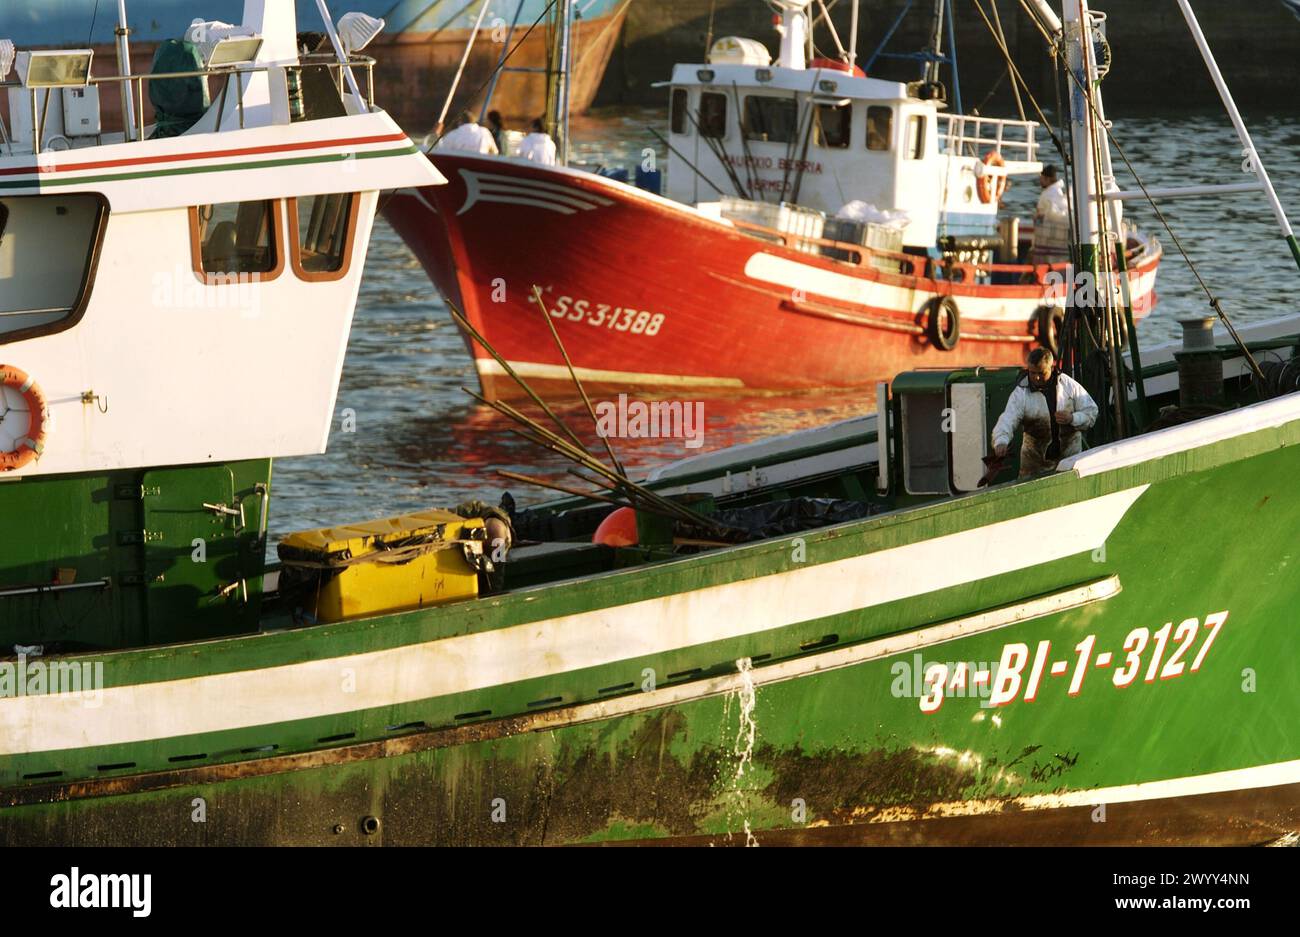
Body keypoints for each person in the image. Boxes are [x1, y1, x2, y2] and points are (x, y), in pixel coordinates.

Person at [992, 347, 1098, 477]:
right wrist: (1001, 441)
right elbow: (1008, 419)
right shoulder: (1021, 394)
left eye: (1041, 373)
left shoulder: (1068, 385)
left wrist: (1073, 418)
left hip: (1070, 463)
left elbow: (1092, 411)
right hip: (1033, 467)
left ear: (1052, 368)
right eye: (1032, 373)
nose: (1036, 377)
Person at [1030, 164, 1070, 265]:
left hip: (1047, 241)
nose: (1040, 181)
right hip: (1061, 242)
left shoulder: (1047, 194)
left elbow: (1042, 216)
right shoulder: (1058, 192)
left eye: (1042, 178)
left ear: (1047, 179)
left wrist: (1036, 218)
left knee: (1031, 256)